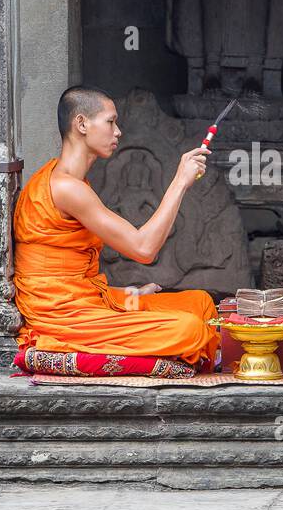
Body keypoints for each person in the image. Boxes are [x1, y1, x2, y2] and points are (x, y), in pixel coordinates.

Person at [12, 86, 219, 369]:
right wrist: (179, 182)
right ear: (82, 124)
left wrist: (125, 295)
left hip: (93, 299)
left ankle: (148, 336)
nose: (118, 131)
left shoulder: (73, 183)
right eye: (110, 122)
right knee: (190, 329)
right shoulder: (65, 188)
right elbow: (144, 249)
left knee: (201, 304)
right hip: (67, 317)